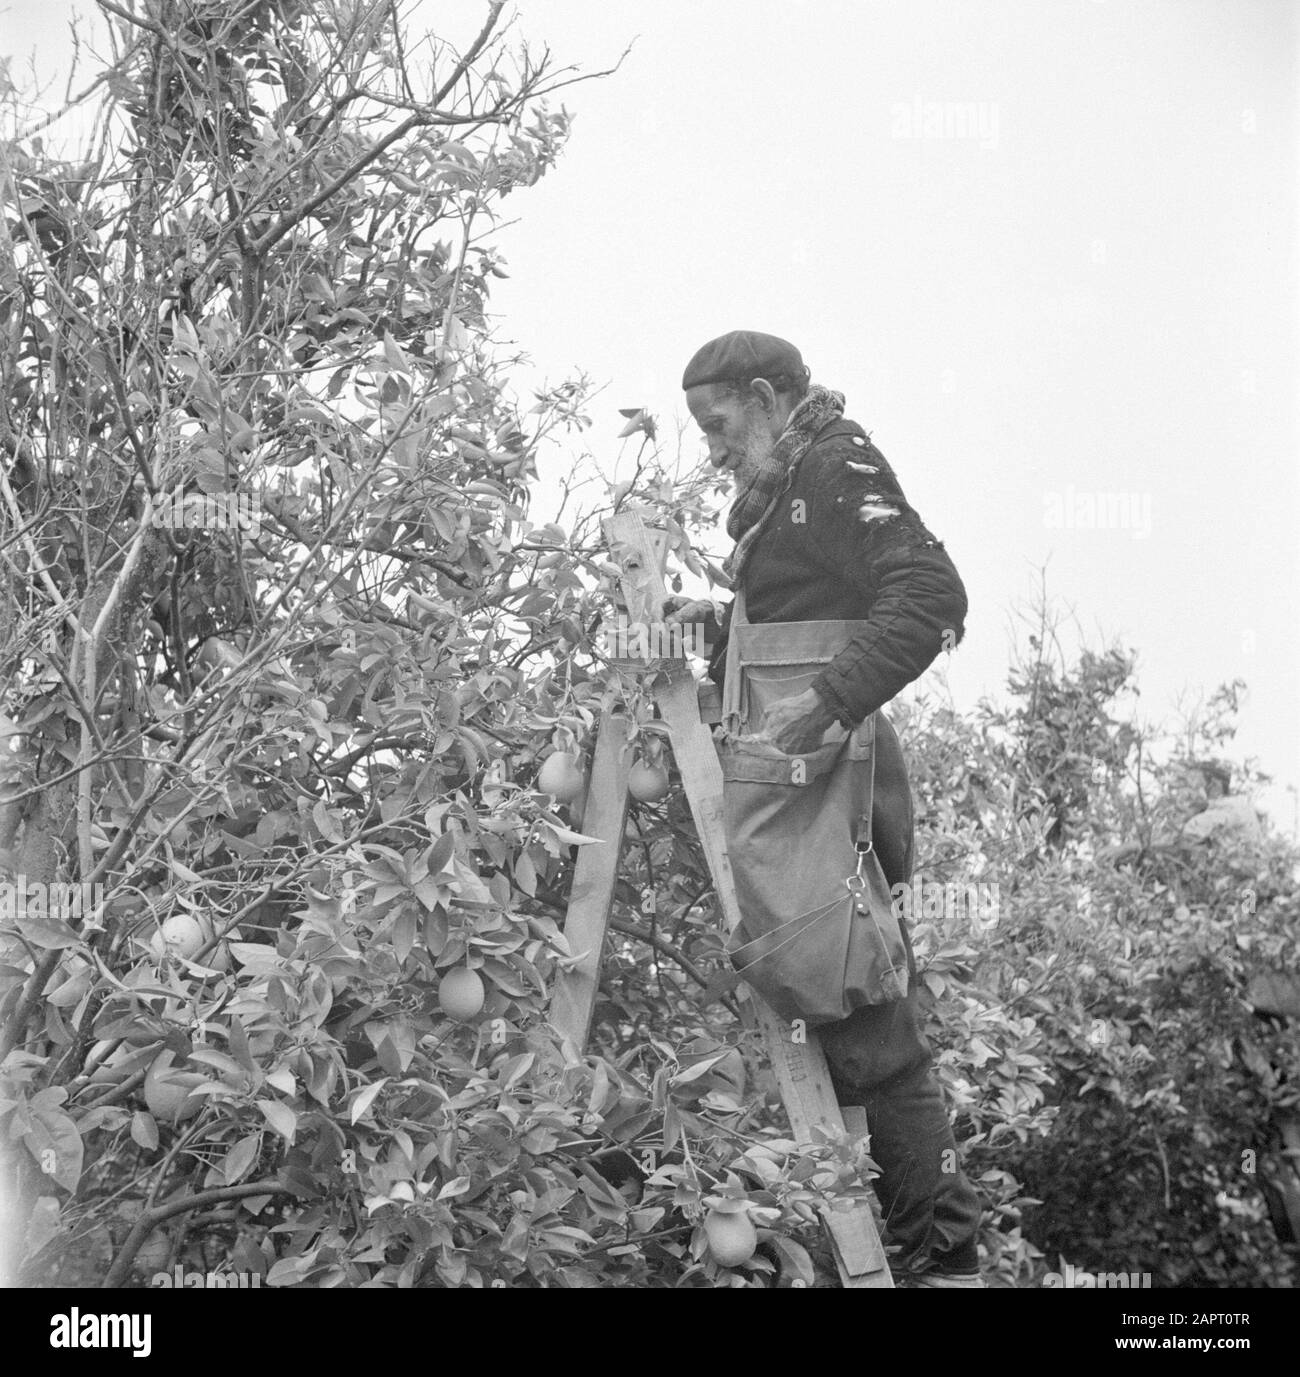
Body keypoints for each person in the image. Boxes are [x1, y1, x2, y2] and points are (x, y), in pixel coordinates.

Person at [670, 329, 984, 1287]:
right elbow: (804, 617)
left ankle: (947, 1255)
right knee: (846, 1002)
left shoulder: (835, 464)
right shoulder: (782, 497)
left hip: (832, 788)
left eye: (719, 426)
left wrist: (830, 700)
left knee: (863, 1007)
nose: (713, 450)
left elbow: (931, 593)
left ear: (765, 397)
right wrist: (716, 630)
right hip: (803, 791)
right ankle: (926, 1243)